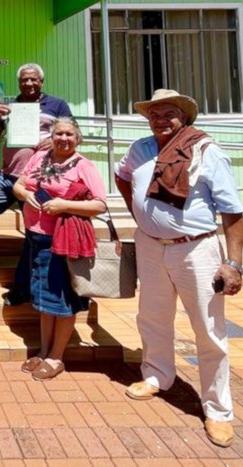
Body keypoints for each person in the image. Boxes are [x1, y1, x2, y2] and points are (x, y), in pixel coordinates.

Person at [115, 89, 243, 448]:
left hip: (195, 249)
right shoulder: (139, 148)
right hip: (150, 245)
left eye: (168, 113)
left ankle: (218, 409)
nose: (160, 120)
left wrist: (234, 263)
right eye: (154, 114)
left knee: (208, 328)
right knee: (152, 316)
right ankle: (157, 375)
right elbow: (122, 176)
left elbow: (232, 210)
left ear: (183, 117)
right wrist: (140, 213)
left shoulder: (206, 151)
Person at [12, 117, 106, 380]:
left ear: (78, 138)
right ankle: (44, 351)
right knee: (44, 297)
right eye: (59, 134)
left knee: (63, 299)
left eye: (69, 134)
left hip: (64, 242)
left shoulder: (84, 166)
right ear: (51, 136)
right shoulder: (39, 157)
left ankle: (56, 356)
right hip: (36, 237)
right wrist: (25, 195)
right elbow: (19, 184)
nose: (63, 139)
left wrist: (64, 205)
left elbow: (100, 205)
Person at [0, 63, 73, 305]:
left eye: (33, 79)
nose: (29, 83)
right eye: (24, 79)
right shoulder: (11, 106)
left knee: (34, 234)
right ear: (19, 82)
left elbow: (75, 134)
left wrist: (55, 141)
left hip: (39, 181)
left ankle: (23, 288)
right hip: (8, 176)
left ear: (41, 81)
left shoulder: (57, 105)